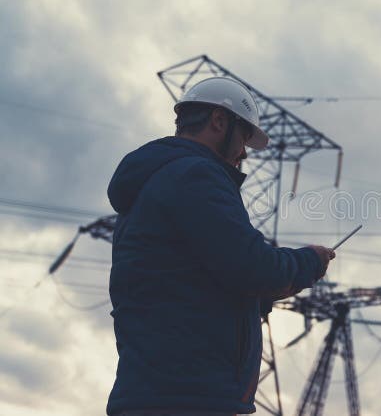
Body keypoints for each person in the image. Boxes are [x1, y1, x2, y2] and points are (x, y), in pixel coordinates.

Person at [105, 77, 334, 416]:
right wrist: (309, 261)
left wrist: (263, 292)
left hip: (159, 390)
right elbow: (254, 267)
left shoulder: (156, 182)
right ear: (218, 121)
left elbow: (192, 281)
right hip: (187, 396)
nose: (243, 153)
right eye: (243, 137)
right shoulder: (195, 175)